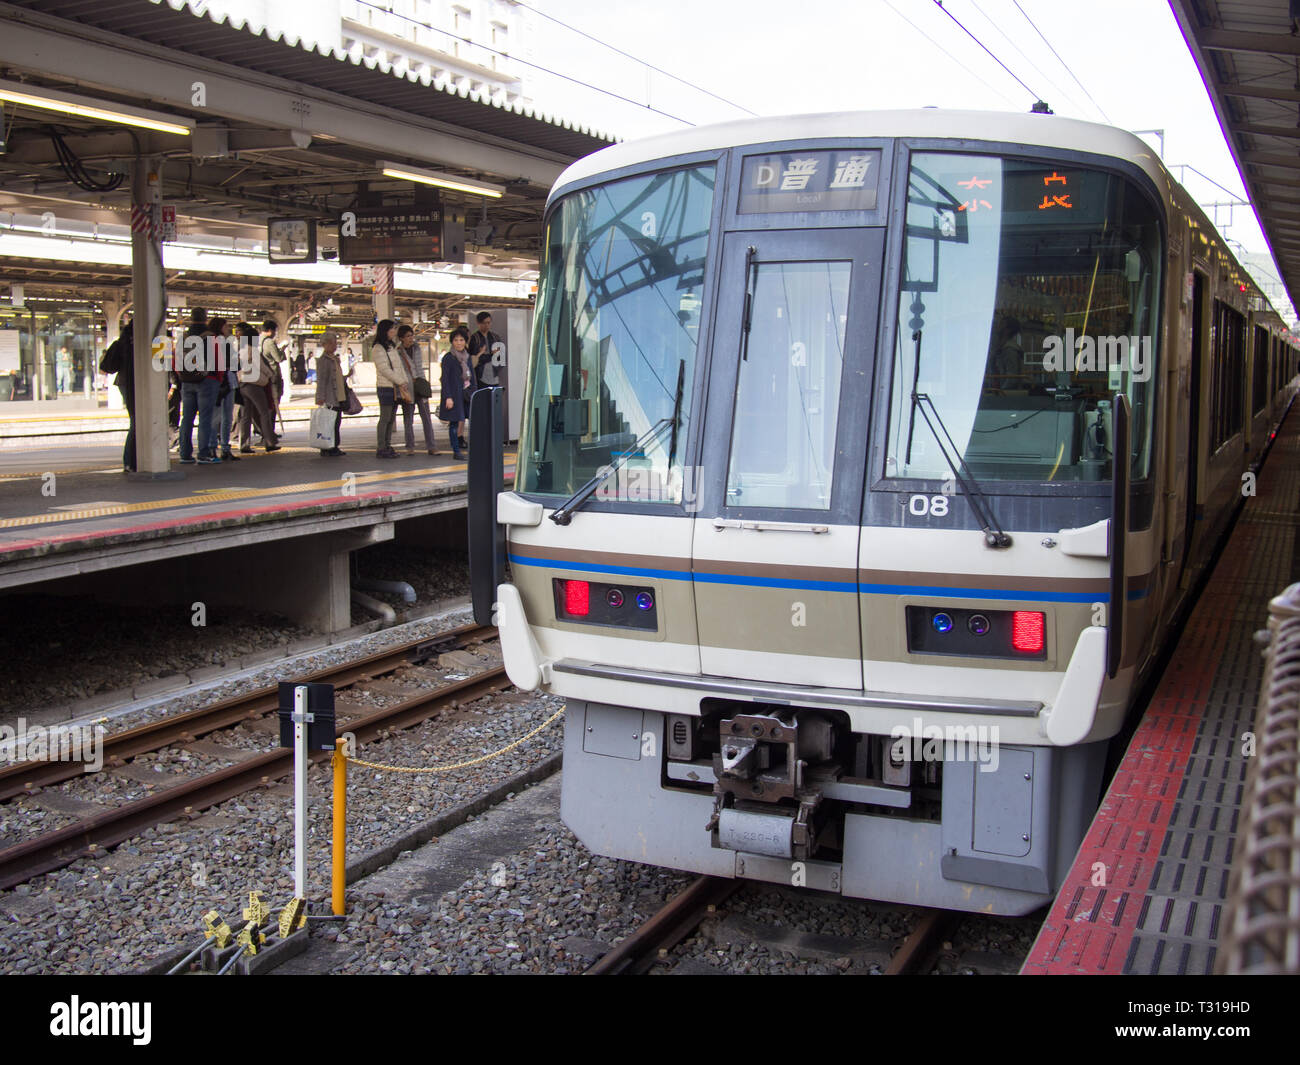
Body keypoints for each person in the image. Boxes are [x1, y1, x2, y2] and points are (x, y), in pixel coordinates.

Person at [237, 321, 280, 453]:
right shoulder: (252, 350)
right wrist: (271, 375)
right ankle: (269, 442)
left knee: (246, 416)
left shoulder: (240, 350)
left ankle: (244, 444)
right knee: (264, 412)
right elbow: (262, 367)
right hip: (254, 386)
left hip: (243, 385)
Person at [371, 318, 409, 459]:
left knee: (391, 418)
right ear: (385, 331)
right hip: (386, 387)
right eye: (392, 329)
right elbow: (384, 369)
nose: (394, 331)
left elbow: (399, 367)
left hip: (395, 386)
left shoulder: (391, 346)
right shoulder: (378, 348)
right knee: (385, 417)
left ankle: (387, 445)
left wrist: (403, 381)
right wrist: (400, 381)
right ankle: (381, 447)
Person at [396, 324, 436, 455]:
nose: (411, 338)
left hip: (420, 385)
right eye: (408, 336)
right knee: (408, 418)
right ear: (401, 338)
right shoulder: (398, 352)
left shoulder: (417, 348)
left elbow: (419, 367)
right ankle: (410, 447)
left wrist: (423, 383)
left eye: (411, 335)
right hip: (407, 388)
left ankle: (431, 446)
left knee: (427, 417)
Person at [438, 326, 474, 459]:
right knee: (454, 422)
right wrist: (448, 397)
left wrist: (473, 391)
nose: (459, 343)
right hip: (454, 394)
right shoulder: (448, 358)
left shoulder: (467, 357)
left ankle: (473, 447)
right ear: (452, 342)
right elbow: (445, 379)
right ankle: (456, 450)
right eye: (456, 340)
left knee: (472, 419)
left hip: (466, 393)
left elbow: (472, 376)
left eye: (462, 340)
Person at [208, 317, 239, 461]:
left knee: (217, 417)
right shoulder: (222, 343)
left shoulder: (209, 341)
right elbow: (235, 363)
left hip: (217, 382)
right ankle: (224, 448)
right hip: (225, 382)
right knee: (225, 417)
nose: (228, 329)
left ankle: (213, 448)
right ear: (220, 327)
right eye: (226, 327)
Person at [314, 331, 347, 457]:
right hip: (330, 397)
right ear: (325, 344)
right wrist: (320, 397)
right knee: (330, 423)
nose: (335, 345)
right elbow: (321, 380)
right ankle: (329, 447)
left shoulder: (335, 359)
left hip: (338, 395)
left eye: (336, 343)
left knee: (336, 422)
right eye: (333, 343)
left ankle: (333, 446)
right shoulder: (324, 360)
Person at [108, 323, 135, 472]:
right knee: (138, 422)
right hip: (135, 383)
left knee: (135, 421)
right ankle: (131, 460)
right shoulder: (142, 341)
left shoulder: (122, 342)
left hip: (123, 382)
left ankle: (129, 461)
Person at [468, 311, 500, 389]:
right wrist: (491, 355)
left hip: (494, 375)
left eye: (489, 323)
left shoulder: (495, 337)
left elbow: (500, 356)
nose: (487, 325)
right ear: (478, 323)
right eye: (484, 323)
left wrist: (495, 355)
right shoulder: (474, 338)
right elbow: (474, 359)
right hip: (480, 376)